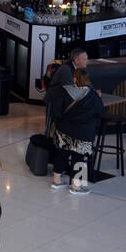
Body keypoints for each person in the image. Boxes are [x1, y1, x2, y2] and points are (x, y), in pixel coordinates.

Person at [48, 67, 104, 195]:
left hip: (63, 130)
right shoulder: (92, 95)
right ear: (87, 80)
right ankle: (76, 186)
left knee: (61, 154)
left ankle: (56, 181)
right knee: (79, 158)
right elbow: (100, 111)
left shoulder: (63, 91)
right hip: (83, 133)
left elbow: (55, 110)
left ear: (74, 79)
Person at [45, 47, 88, 134]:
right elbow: (70, 89)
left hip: (63, 100)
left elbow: (84, 84)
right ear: (76, 60)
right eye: (84, 59)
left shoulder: (78, 69)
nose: (87, 61)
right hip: (54, 100)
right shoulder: (66, 69)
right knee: (50, 130)